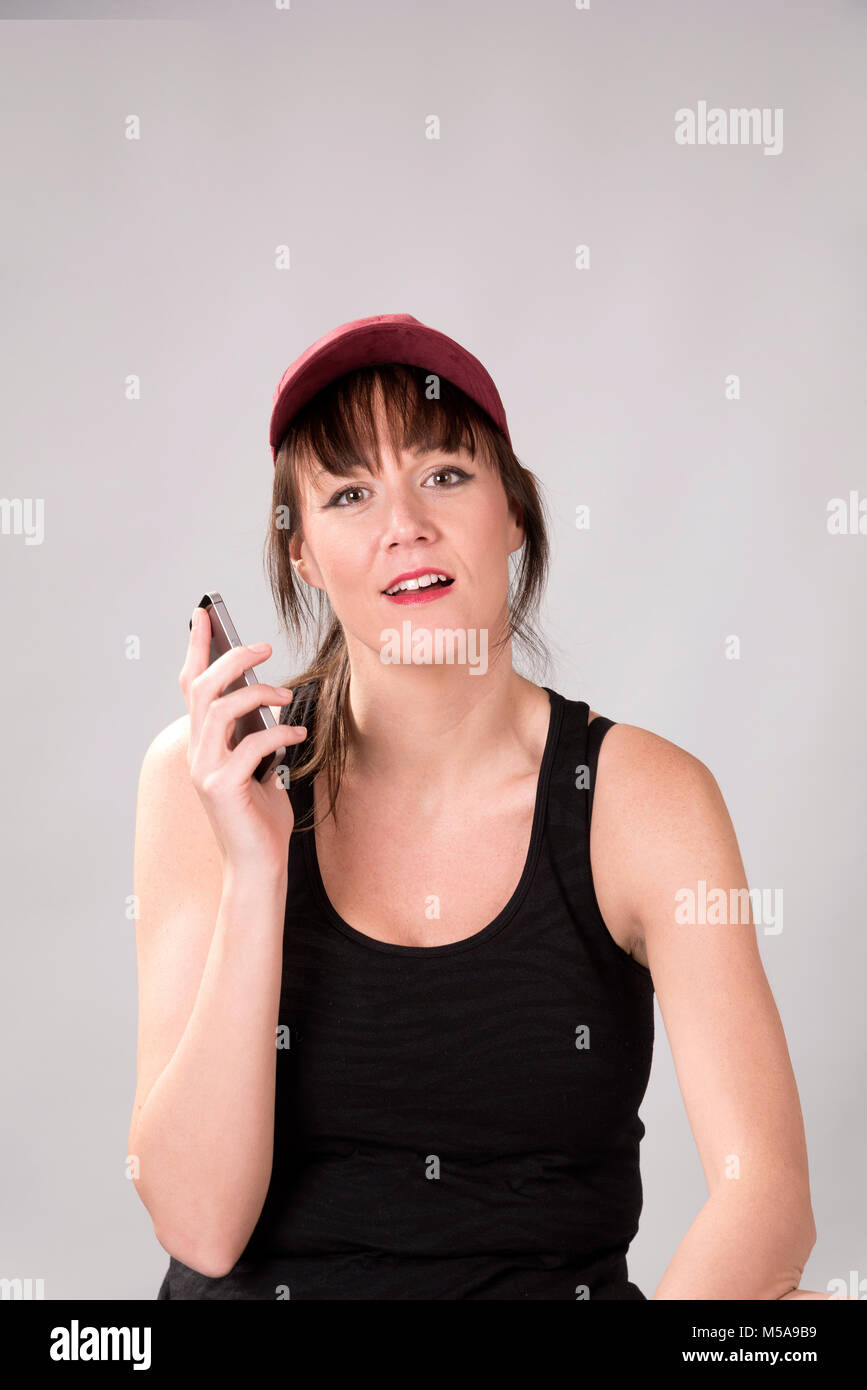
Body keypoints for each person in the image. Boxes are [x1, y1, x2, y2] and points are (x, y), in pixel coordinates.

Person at [130, 314, 822, 1300]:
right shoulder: (207, 780)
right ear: (305, 558)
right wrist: (254, 872)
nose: (404, 521)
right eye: (350, 493)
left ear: (515, 514)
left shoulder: (645, 800)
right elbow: (199, 1225)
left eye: (445, 475)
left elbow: (769, 1202)